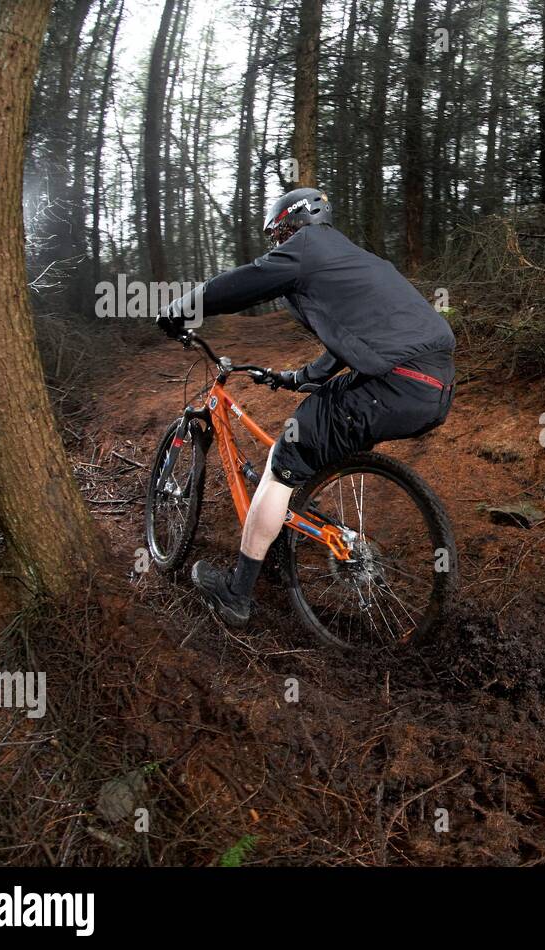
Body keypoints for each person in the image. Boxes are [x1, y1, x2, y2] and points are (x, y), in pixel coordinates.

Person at [155, 187, 456, 627]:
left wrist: (180, 310)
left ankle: (237, 593)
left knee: (284, 457)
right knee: (319, 422)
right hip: (429, 384)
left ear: (289, 226)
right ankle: (287, 517)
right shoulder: (355, 259)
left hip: (396, 382)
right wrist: (297, 378)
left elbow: (244, 281)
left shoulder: (309, 247)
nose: (278, 246)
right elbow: (351, 338)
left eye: (277, 236)